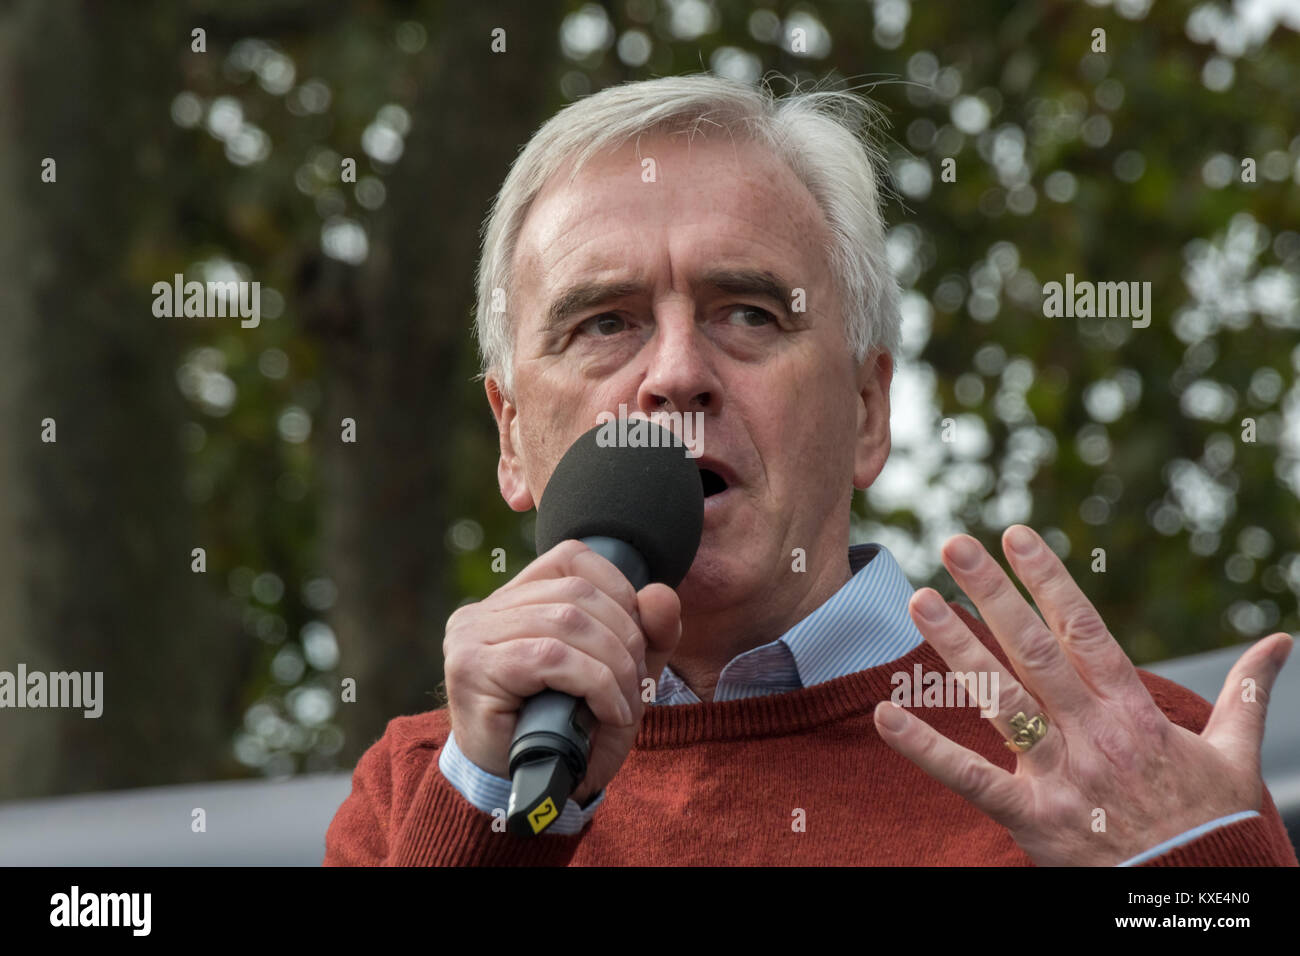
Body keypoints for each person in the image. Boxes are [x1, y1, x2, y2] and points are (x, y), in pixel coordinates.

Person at [324, 74, 1297, 866]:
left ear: (867, 409)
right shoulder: (427, 787)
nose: (674, 374)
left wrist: (1185, 874)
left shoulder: (1134, 760)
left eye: (748, 312)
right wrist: (494, 813)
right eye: (604, 322)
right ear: (509, 437)